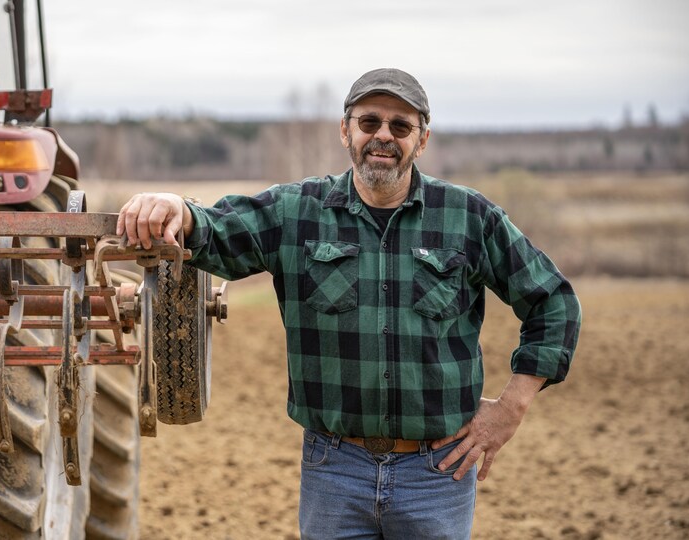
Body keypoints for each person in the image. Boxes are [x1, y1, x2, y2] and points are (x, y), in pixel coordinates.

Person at [116, 68, 581, 539]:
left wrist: (511, 407)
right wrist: (174, 207)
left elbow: (553, 301)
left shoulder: (467, 216)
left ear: (422, 139)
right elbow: (216, 231)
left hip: (437, 473)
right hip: (334, 468)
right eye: (369, 122)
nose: (383, 136)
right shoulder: (296, 211)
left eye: (401, 126)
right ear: (346, 131)